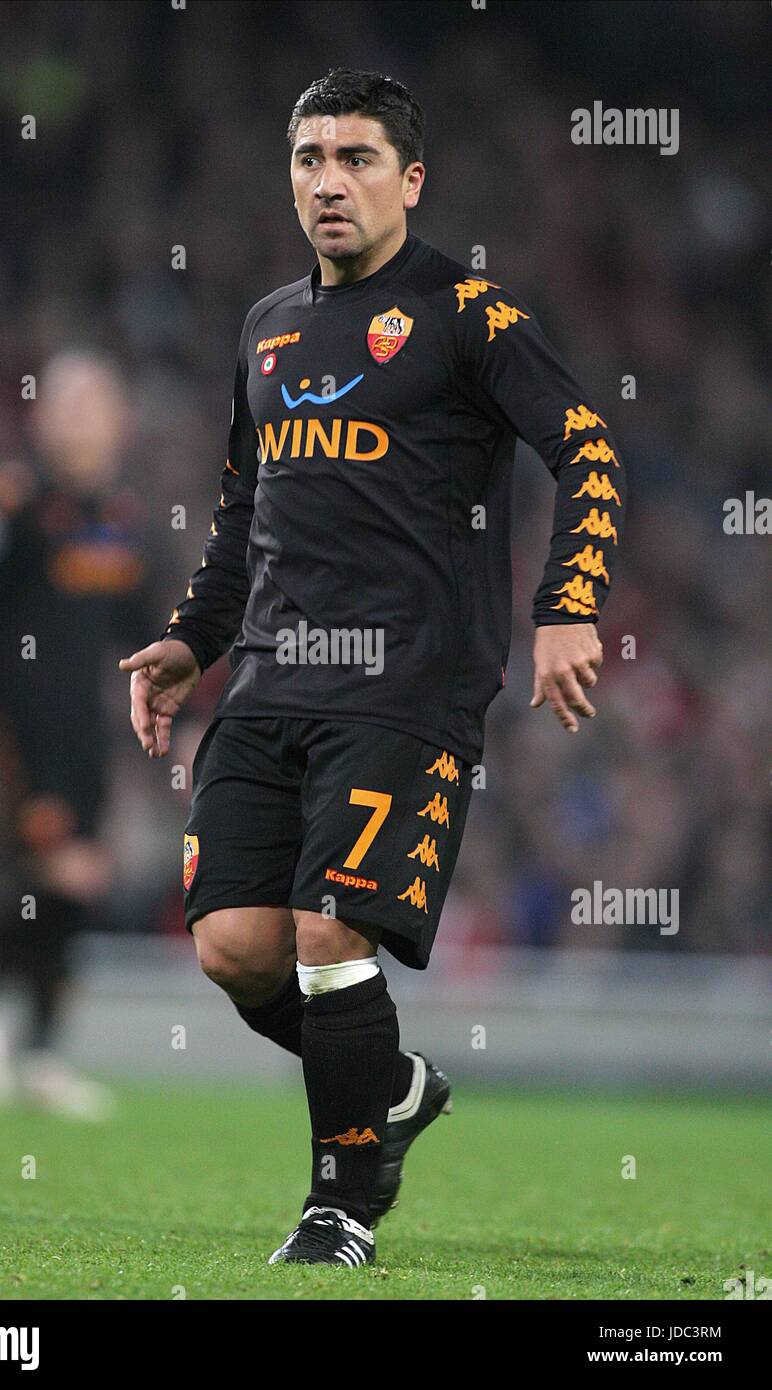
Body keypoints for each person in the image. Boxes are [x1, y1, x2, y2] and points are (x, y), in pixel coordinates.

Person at [120, 69, 625, 1264]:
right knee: (232, 947)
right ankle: (389, 1081)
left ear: (410, 178)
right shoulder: (265, 327)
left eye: (352, 157)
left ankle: (338, 1205)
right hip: (273, 680)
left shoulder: (468, 315)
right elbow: (246, 513)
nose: (326, 181)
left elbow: (587, 445)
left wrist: (567, 605)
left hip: (407, 688)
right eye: (306, 157)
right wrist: (194, 643)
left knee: (324, 934)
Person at [0, 350, 150, 1120]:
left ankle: (42, 1050)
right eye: (69, 404)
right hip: (13, 724)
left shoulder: (120, 522)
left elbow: (151, 630)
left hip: (85, 730)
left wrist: (185, 717)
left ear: (119, 422)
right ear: (41, 417)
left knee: (84, 875)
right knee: (58, 867)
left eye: (97, 405)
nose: (84, 420)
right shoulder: (10, 502)